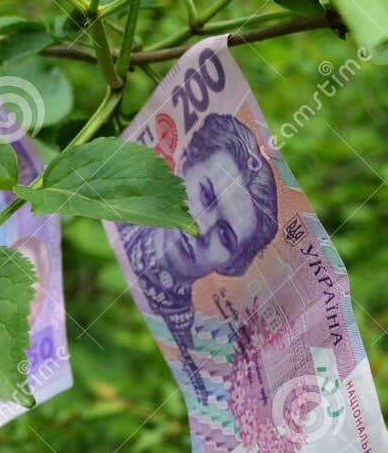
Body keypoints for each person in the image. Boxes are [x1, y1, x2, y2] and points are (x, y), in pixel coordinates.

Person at [118, 113, 279, 401]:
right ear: (185, 165)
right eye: (206, 196)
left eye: (225, 235)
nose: (201, 228)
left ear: (231, 264)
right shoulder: (100, 201)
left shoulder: (191, 357)